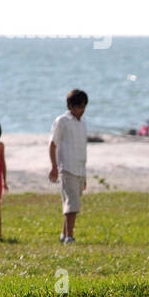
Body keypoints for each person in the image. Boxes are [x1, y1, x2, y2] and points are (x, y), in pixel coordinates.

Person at [49, 88, 88, 243]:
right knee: (72, 204)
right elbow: (53, 144)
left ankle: (64, 234)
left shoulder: (83, 123)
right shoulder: (62, 121)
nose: (81, 110)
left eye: (84, 106)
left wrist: (84, 175)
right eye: (78, 107)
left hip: (79, 167)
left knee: (74, 201)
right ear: (70, 106)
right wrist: (54, 166)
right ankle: (69, 236)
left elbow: (82, 148)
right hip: (67, 167)